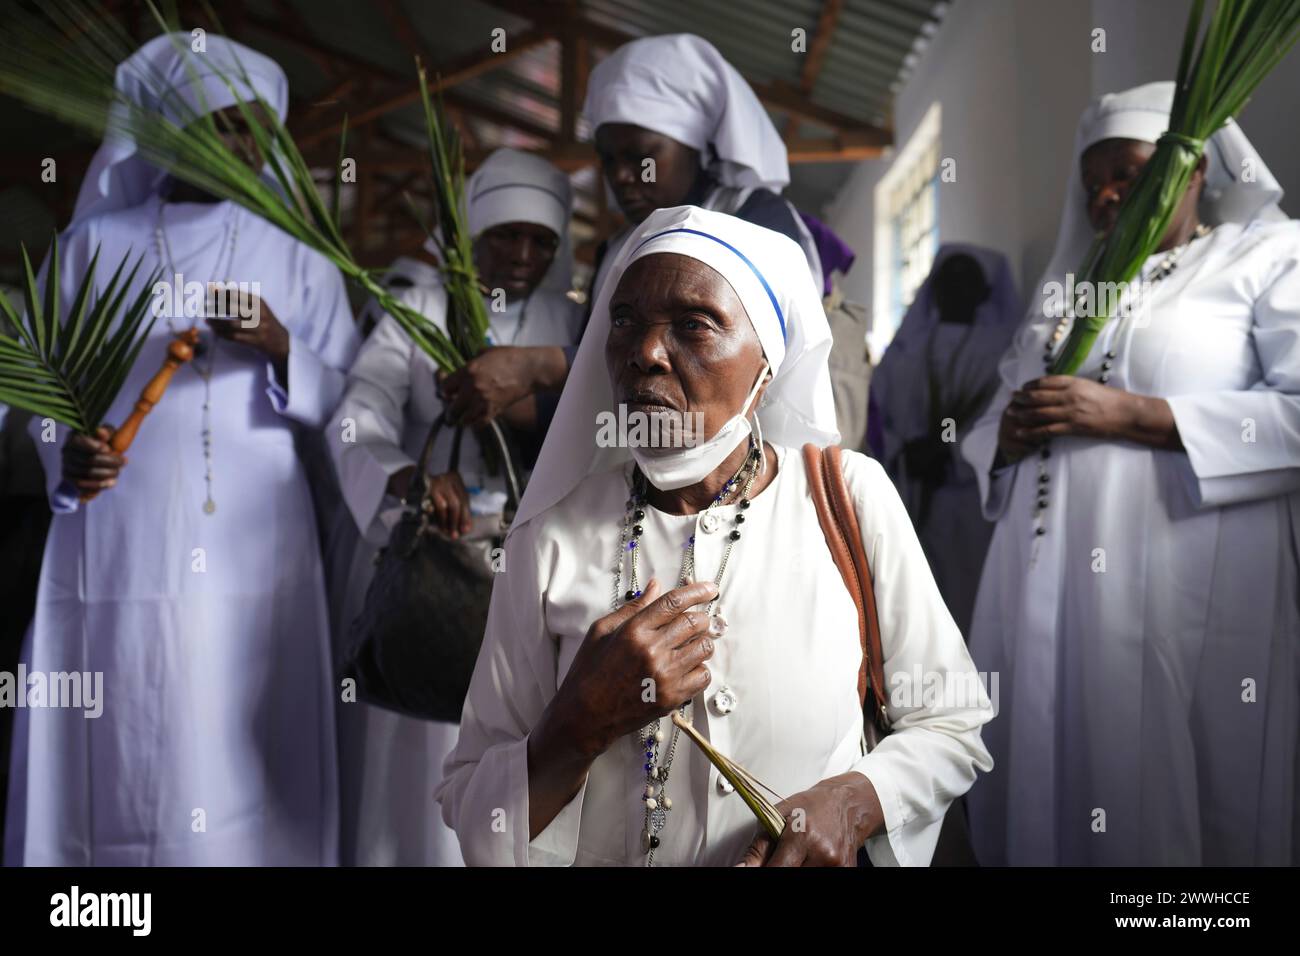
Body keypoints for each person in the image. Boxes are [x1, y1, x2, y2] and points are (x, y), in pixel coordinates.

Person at [437, 205, 993, 866]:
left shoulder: (847, 496)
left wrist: (850, 804)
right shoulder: (551, 535)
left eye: (693, 325)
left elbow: (950, 724)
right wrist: (578, 723)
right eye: (624, 321)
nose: (644, 352)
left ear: (767, 364)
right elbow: (473, 801)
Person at [3, 35, 358, 865]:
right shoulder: (92, 244)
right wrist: (66, 455)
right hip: (117, 532)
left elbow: (354, 408)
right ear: (164, 129)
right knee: (126, 707)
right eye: (217, 126)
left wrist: (282, 347)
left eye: (253, 132)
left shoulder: (299, 252)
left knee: (235, 719)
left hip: (254, 538)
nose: (238, 148)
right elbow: (35, 400)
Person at [962, 81, 1300, 866]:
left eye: (1130, 173)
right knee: (1053, 755)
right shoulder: (1068, 292)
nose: (1108, 196)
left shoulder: (1268, 256)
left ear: (1195, 170)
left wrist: (1133, 416)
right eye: (1094, 184)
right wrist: (1004, 437)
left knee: (1184, 779)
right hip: (1043, 580)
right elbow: (990, 423)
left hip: (1187, 576)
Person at [327, 147, 582, 866]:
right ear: (473, 237)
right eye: (505, 235)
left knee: (514, 745)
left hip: (532, 569)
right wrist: (409, 474)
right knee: (416, 759)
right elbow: (355, 416)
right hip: (431, 561)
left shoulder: (573, 333)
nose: (523, 254)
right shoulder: (418, 307)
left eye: (542, 241)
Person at [872, 245, 1023, 635]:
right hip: (906, 489)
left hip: (969, 500)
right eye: (948, 278)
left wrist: (952, 454)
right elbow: (876, 417)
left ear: (984, 289)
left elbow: (1007, 419)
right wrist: (904, 452)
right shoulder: (907, 350)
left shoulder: (1004, 352)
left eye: (965, 278)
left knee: (966, 608)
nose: (955, 287)